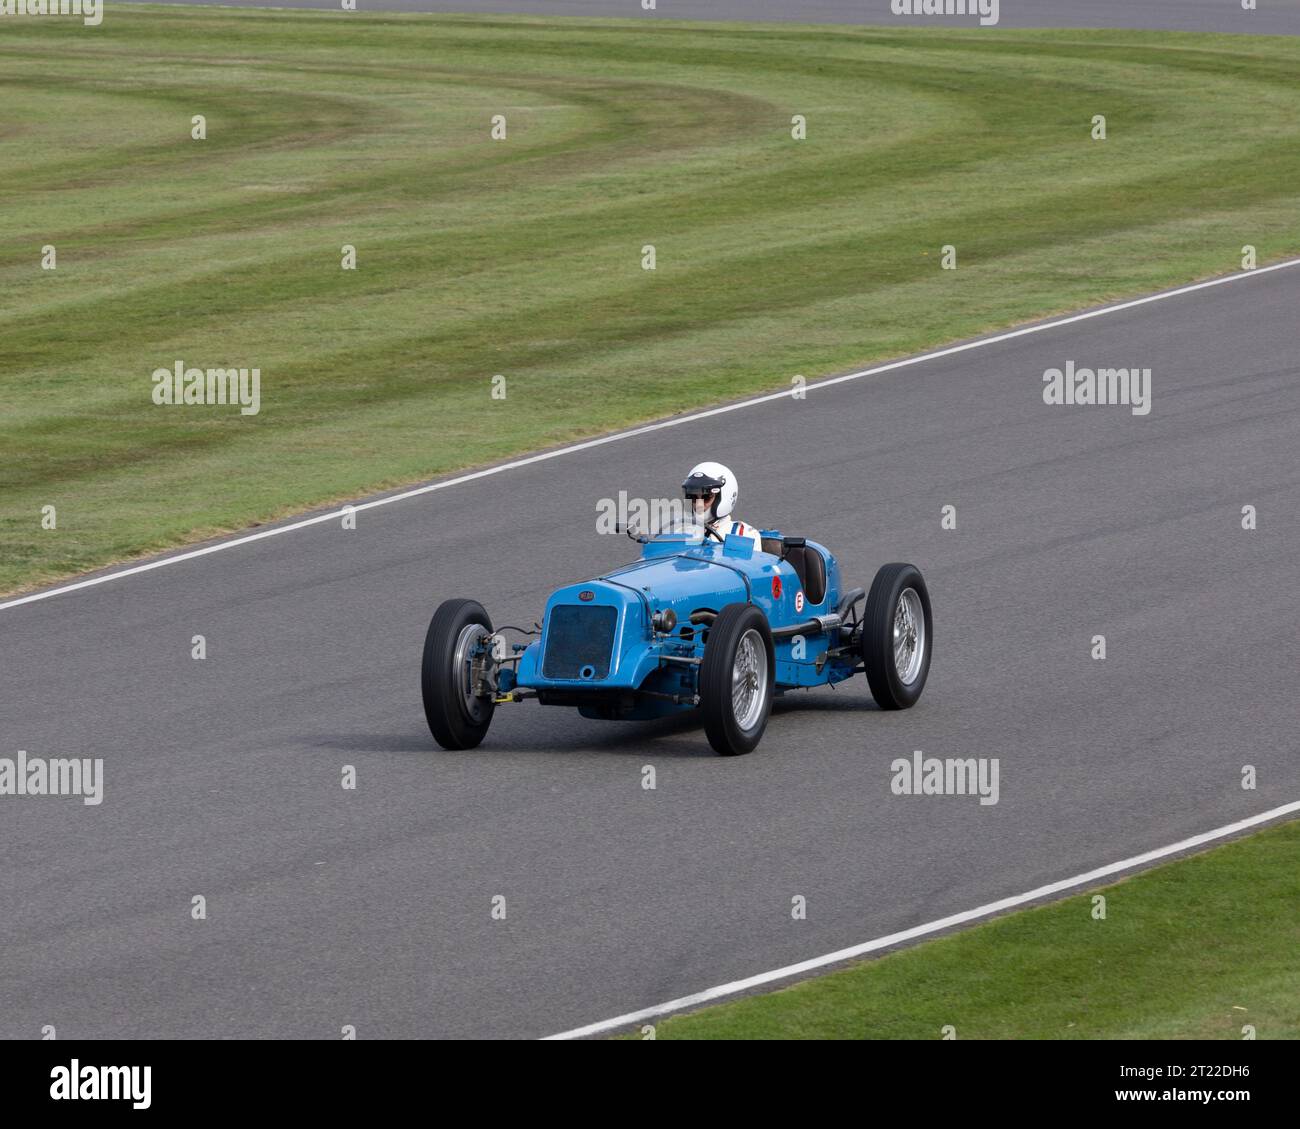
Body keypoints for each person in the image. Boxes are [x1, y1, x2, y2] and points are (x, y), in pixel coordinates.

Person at [681, 462, 762, 549]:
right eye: (692, 497)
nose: (698, 504)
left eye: (706, 497)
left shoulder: (743, 534)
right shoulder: (678, 532)